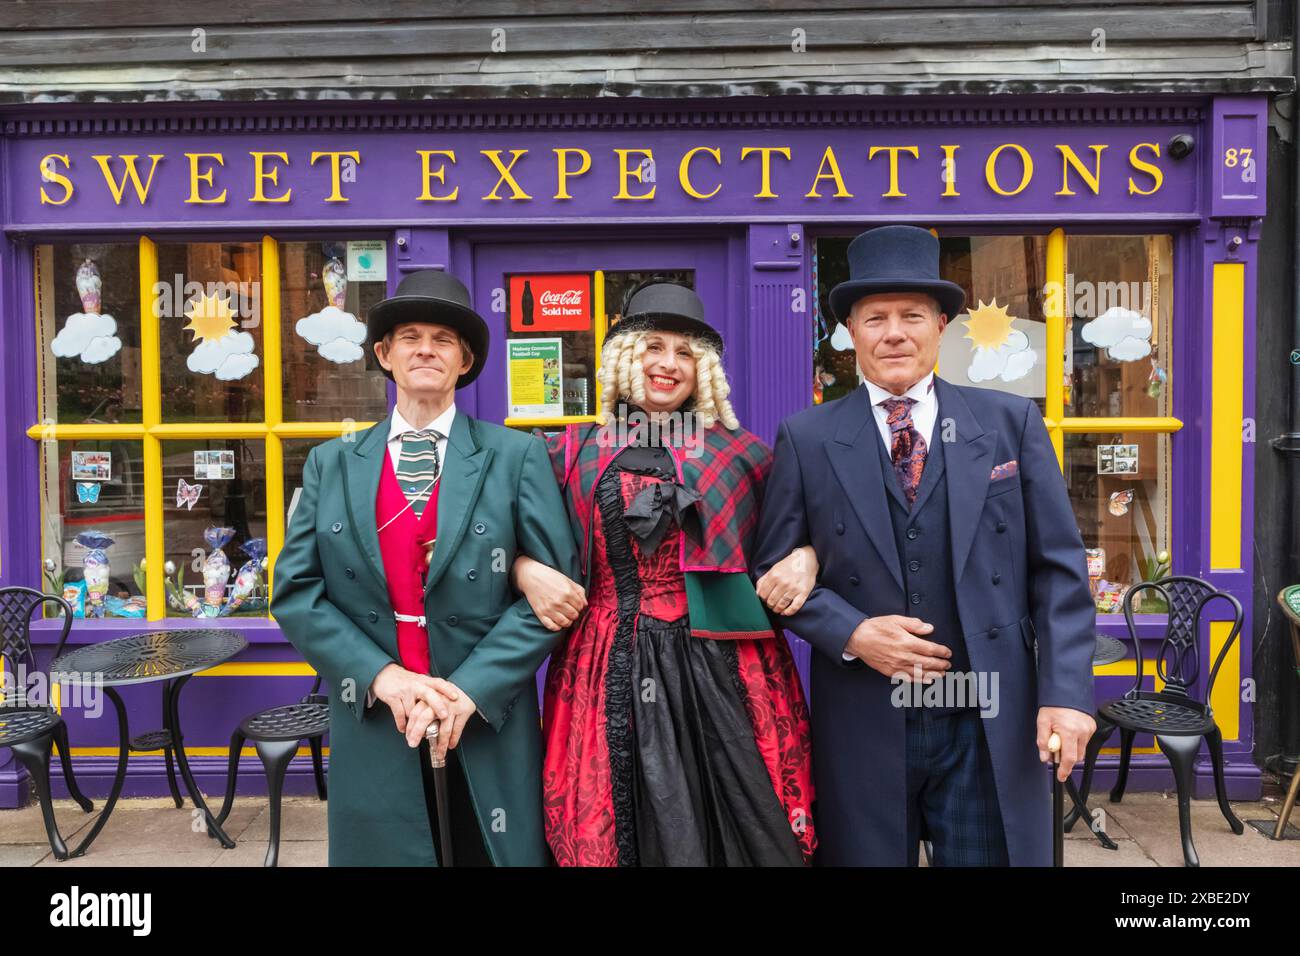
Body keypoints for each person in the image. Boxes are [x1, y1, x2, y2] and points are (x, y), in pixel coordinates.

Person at [752, 225, 1097, 866]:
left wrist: (1068, 695)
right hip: (865, 714)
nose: (894, 333)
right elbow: (771, 574)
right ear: (850, 332)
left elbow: (1059, 571)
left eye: (912, 315)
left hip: (988, 712)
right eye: (875, 317)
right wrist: (853, 633)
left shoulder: (1008, 423)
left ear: (942, 326)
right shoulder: (806, 436)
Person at [272, 269, 578, 866]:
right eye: (409, 337)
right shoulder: (330, 464)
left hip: (485, 715)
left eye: (443, 339)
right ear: (385, 355)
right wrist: (383, 678)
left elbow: (556, 594)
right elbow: (297, 594)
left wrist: (470, 689)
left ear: (464, 360)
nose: (425, 350)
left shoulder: (516, 456)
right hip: (375, 713)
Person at [511, 280, 818, 866]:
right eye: (654, 347)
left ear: (704, 371)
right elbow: (505, 539)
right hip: (603, 655)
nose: (668, 365)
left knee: (742, 812)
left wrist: (809, 555)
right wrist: (525, 568)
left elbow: (814, 528)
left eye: (685, 354)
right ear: (627, 357)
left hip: (725, 660)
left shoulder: (745, 454)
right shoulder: (570, 451)